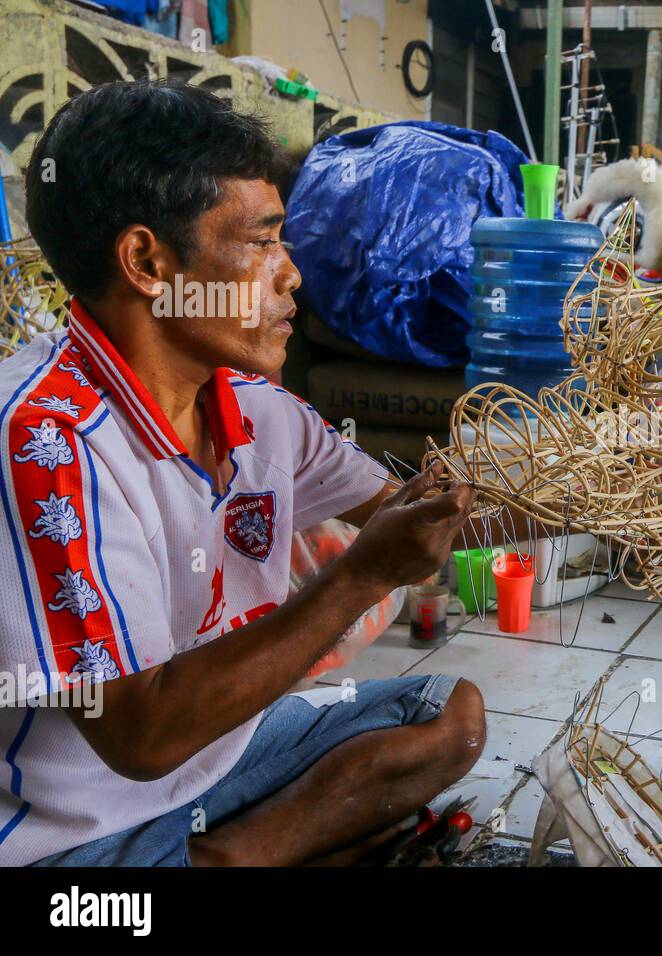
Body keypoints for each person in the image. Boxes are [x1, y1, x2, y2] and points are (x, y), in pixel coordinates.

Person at [0, 80, 482, 866]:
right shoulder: (44, 440)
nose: (290, 274)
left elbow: (419, 512)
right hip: (71, 839)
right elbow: (139, 736)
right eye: (262, 242)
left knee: (446, 719)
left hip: (215, 770)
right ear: (148, 261)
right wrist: (359, 579)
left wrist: (613, 492)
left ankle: (231, 856)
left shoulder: (259, 410)